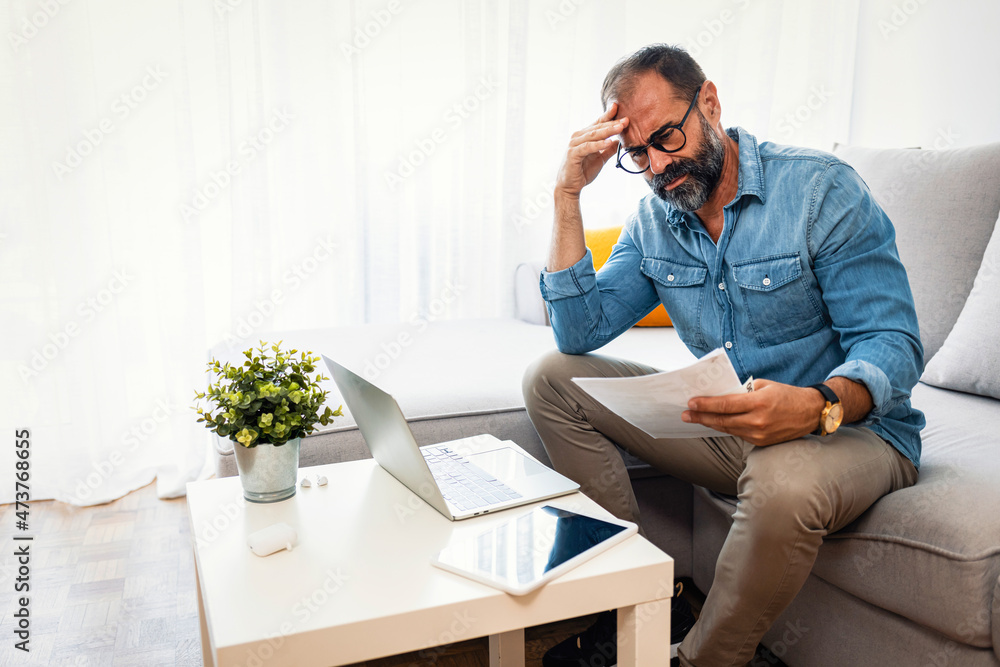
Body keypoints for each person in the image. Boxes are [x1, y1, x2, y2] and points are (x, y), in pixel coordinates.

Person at [522, 44, 924, 667]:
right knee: (551, 378)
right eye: (637, 154)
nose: (657, 165)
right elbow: (577, 334)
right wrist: (566, 196)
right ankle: (635, 606)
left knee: (782, 477)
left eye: (667, 137)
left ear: (709, 102)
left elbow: (892, 342)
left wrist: (817, 406)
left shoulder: (819, 191)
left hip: (851, 430)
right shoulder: (655, 220)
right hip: (739, 430)